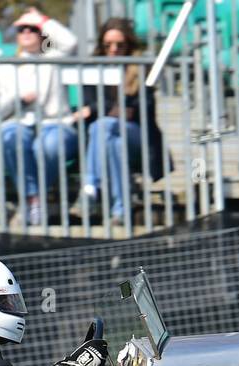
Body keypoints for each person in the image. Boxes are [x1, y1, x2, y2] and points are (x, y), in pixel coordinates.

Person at [0, 7, 78, 226]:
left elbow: (70, 42)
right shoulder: (5, 67)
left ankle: (32, 199)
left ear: (42, 34)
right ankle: (34, 198)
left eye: (33, 29)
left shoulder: (53, 58)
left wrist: (43, 19)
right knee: (11, 136)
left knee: (47, 146)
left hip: (54, 123)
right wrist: (18, 99)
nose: (27, 32)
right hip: (18, 122)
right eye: (22, 29)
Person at [75, 18, 166, 225]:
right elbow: (88, 104)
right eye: (108, 45)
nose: (113, 49)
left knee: (103, 125)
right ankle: (121, 210)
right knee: (114, 142)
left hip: (138, 135)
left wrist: (101, 109)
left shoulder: (141, 68)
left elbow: (141, 108)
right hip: (106, 139)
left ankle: (90, 187)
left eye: (119, 45)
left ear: (128, 45)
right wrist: (114, 110)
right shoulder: (92, 68)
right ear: (101, 45)